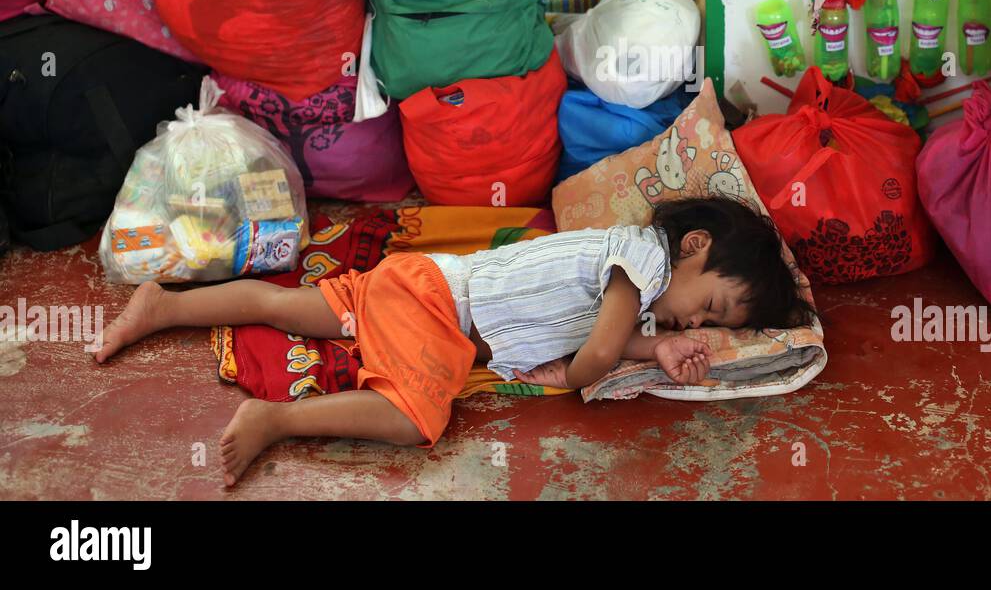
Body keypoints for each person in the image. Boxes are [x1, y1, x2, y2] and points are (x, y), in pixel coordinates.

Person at [94, 196, 814, 486]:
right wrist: (575, 377)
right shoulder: (644, 261)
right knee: (417, 418)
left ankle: (163, 305)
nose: (697, 326)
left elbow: (614, 338)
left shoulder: (646, 297)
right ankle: (274, 418)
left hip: (420, 285)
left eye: (712, 329)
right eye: (712, 306)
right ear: (693, 246)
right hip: (440, 309)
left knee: (298, 309)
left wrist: (651, 350)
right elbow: (594, 358)